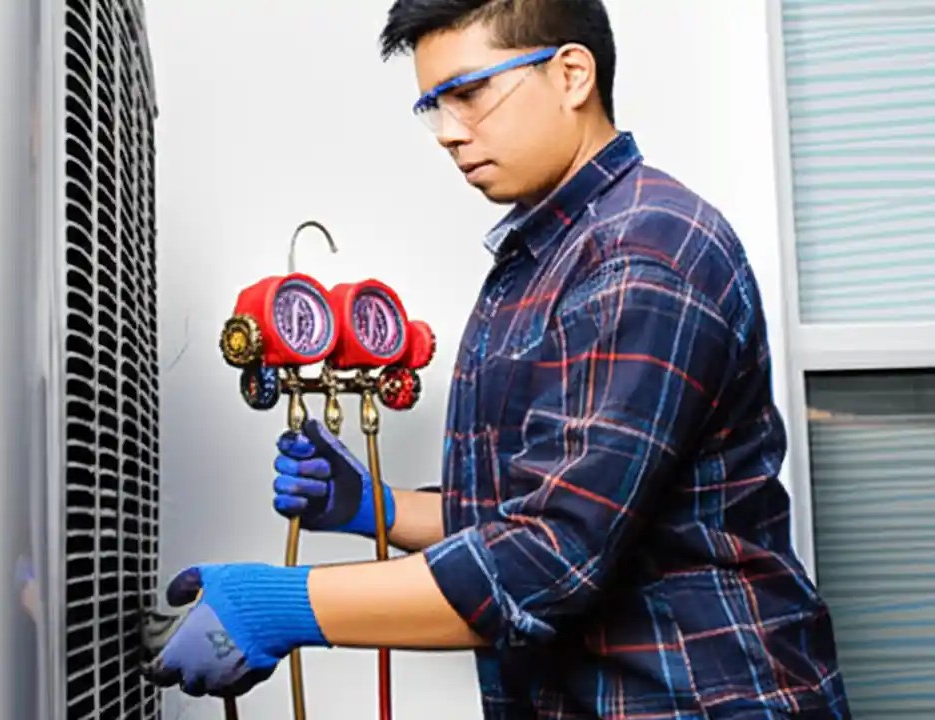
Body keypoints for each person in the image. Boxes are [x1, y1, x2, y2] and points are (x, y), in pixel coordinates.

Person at [146, 1, 853, 717]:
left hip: (697, 700)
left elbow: (548, 560)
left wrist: (282, 605)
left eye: (471, 92)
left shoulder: (642, 254)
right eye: (433, 105)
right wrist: (380, 508)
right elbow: (537, 506)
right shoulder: (546, 255)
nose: (449, 133)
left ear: (572, 73)